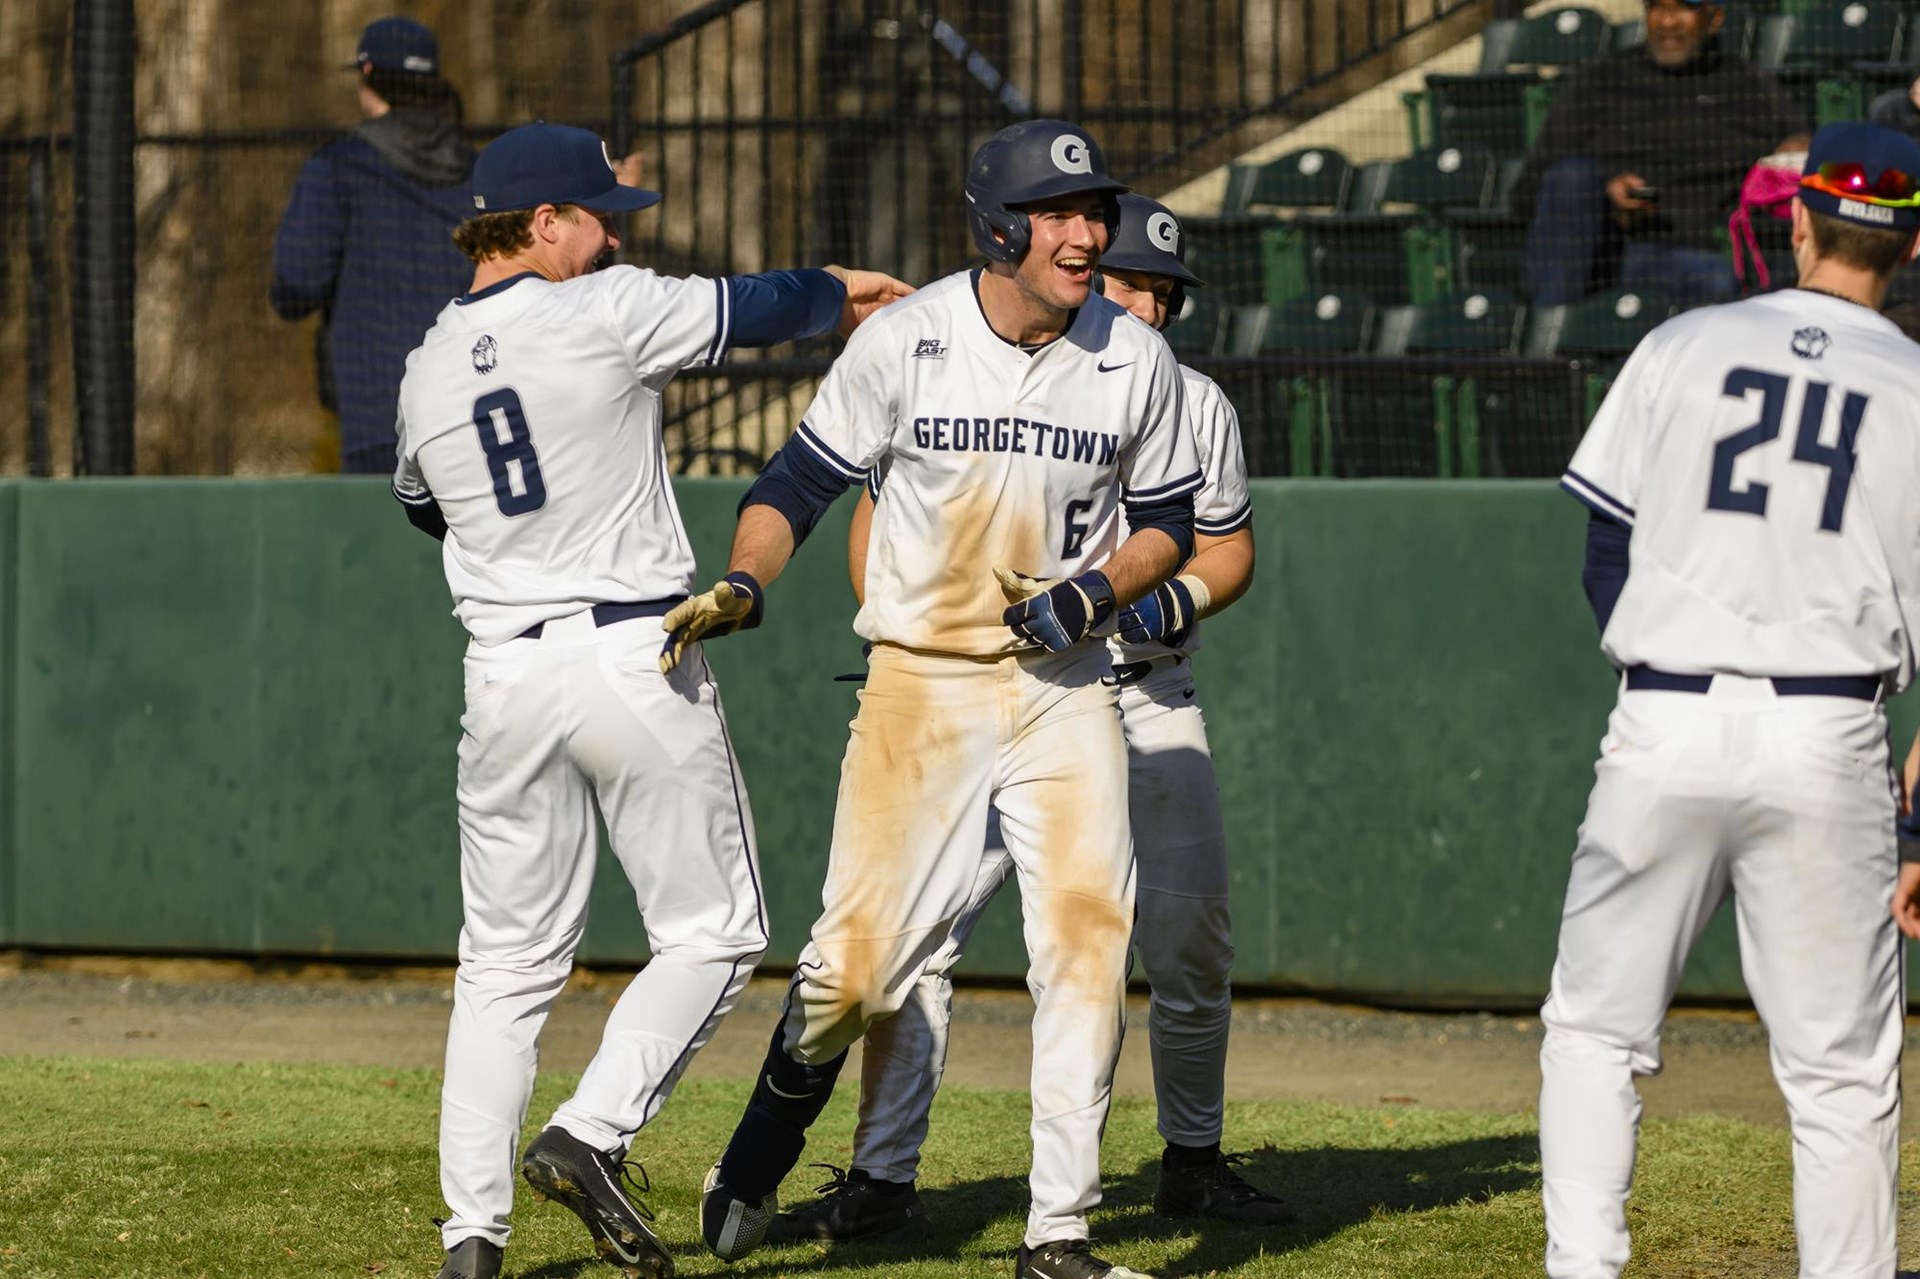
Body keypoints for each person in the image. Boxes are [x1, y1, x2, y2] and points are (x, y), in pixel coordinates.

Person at [663, 119, 1202, 1279]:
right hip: (922, 686)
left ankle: (1058, 1232)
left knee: (1087, 947)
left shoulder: (1133, 354)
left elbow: (1169, 526)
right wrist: (747, 579)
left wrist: (1095, 592)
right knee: (857, 971)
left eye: (1093, 212)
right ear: (1001, 227)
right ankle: (759, 1148)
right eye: (1060, 214)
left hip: (1064, 686)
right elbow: (796, 482)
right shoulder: (907, 341)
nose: (1086, 232)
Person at [389, 121, 910, 1279]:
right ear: (541, 223)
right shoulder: (603, 309)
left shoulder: (424, 362)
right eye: (597, 216)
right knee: (716, 932)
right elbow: (757, 305)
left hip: (504, 673)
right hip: (633, 649)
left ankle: (471, 1238)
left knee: (504, 965)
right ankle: (590, 1131)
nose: (611, 234)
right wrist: (844, 289)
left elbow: (425, 508)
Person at [761, 192, 1285, 1250]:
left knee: (1183, 937)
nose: (1145, 301)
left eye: (1163, 291)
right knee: (918, 940)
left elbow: (1222, 548)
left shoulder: (1188, 398)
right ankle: (881, 1174)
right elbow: (877, 516)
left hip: (1143, 684)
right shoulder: (973, 362)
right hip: (997, 688)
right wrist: (904, 652)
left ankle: (1190, 1158)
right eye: (1132, 278)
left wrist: (1145, 599)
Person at [1542, 120, 1920, 1279]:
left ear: (1798, 221)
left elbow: (1605, 541)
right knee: (1841, 1066)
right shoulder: (1916, 381)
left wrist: (1655, 651)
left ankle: (1583, 1267)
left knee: (1598, 1029)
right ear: (1903, 250)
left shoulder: (1684, 340)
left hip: (1665, 715)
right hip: (1829, 731)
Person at [272, 17, 475, 474]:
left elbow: (296, 284)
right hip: (477, 409)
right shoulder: (479, 173)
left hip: (376, 413)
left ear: (368, 77)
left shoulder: (337, 169)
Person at [1511, 0, 1806, 308]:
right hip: (1595, 254)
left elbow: (1799, 151)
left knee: (1712, 277)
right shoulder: (1598, 81)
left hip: (1689, 252)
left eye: (1683, 9)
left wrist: (1798, 146)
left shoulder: (1749, 87)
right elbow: (1523, 196)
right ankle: (1549, 337)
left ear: (1714, 18)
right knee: (1573, 175)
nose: (1668, 22)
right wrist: (1603, 195)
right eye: (1657, 8)